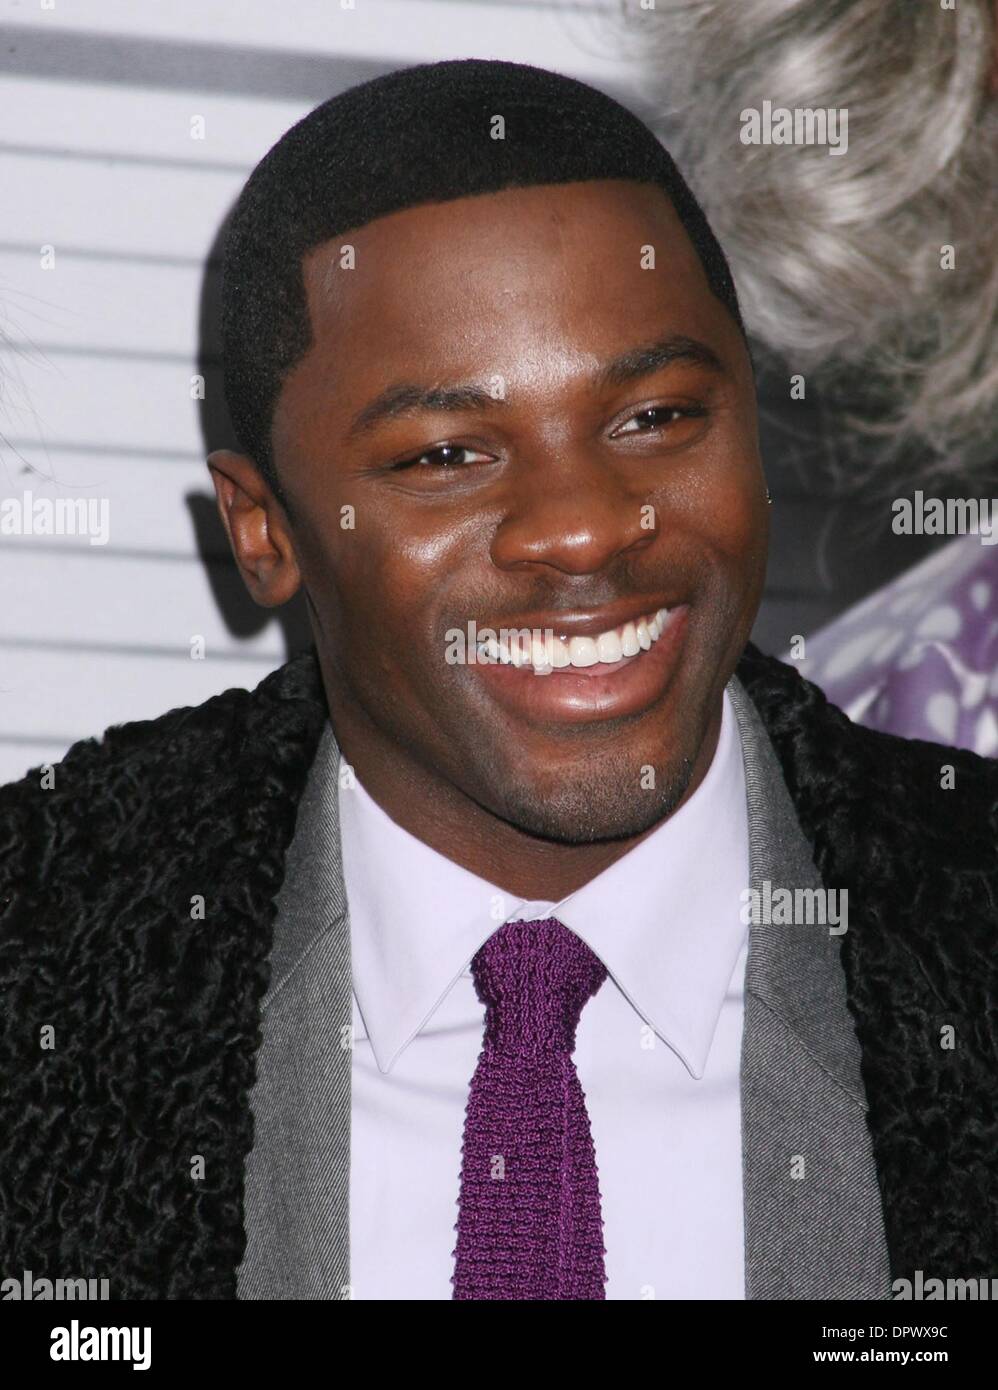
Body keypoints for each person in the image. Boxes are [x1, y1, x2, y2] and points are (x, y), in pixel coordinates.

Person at [0, 59, 995, 1302]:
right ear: (264, 531)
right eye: (447, 453)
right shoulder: (42, 962)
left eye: (656, 418)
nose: (581, 530)